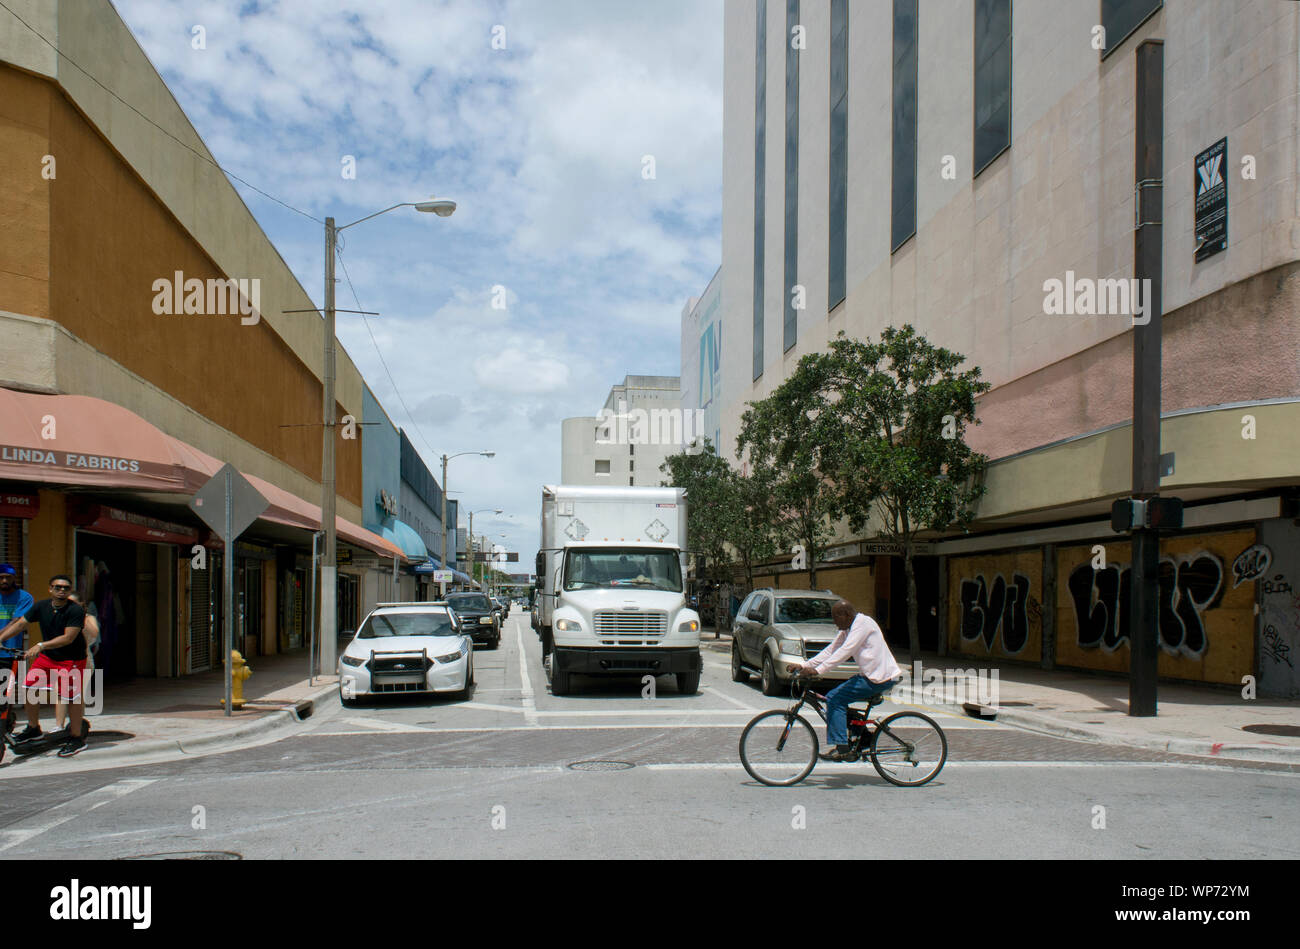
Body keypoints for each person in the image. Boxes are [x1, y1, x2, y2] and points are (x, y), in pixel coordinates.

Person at [792, 599, 902, 762]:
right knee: (839, 699)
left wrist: (818, 670)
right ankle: (864, 736)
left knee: (835, 698)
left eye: (836, 618)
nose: (834, 622)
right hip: (870, 675)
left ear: (846, 615)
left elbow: (845, 651)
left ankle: (842, 748)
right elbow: (831, 650)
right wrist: (803, 665)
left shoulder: (863, 624)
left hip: (880, 677)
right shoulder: (848, 628)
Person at [0, 575, 89, 756]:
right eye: (58, 587)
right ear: (50, 589)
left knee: (70, 697)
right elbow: (21, 624)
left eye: (66, 588)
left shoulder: (75, 611)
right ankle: (33, 728)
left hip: (70, 659)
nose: (62, 590)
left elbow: (68, 638)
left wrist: (41, 645)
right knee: (28, 687)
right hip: (49, 657)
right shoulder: (41, 606)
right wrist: (1, 638)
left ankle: (77, 738)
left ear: (69, 591)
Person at [53, 592, 98, 730]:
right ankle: (58, 726)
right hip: (62, 659)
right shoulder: (59, 617)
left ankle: (76, 725)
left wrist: (80, 617)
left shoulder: (88, 618)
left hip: (83, 660)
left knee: (77, 696)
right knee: (60, 693)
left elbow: (94, 633)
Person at [0, 564, 34, 650]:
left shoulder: (24, 597)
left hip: (14, 650)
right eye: (1, 577)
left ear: (14, 578)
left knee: (21, 664)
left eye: (8, 577)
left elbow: (17, 622)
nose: (4, 580)